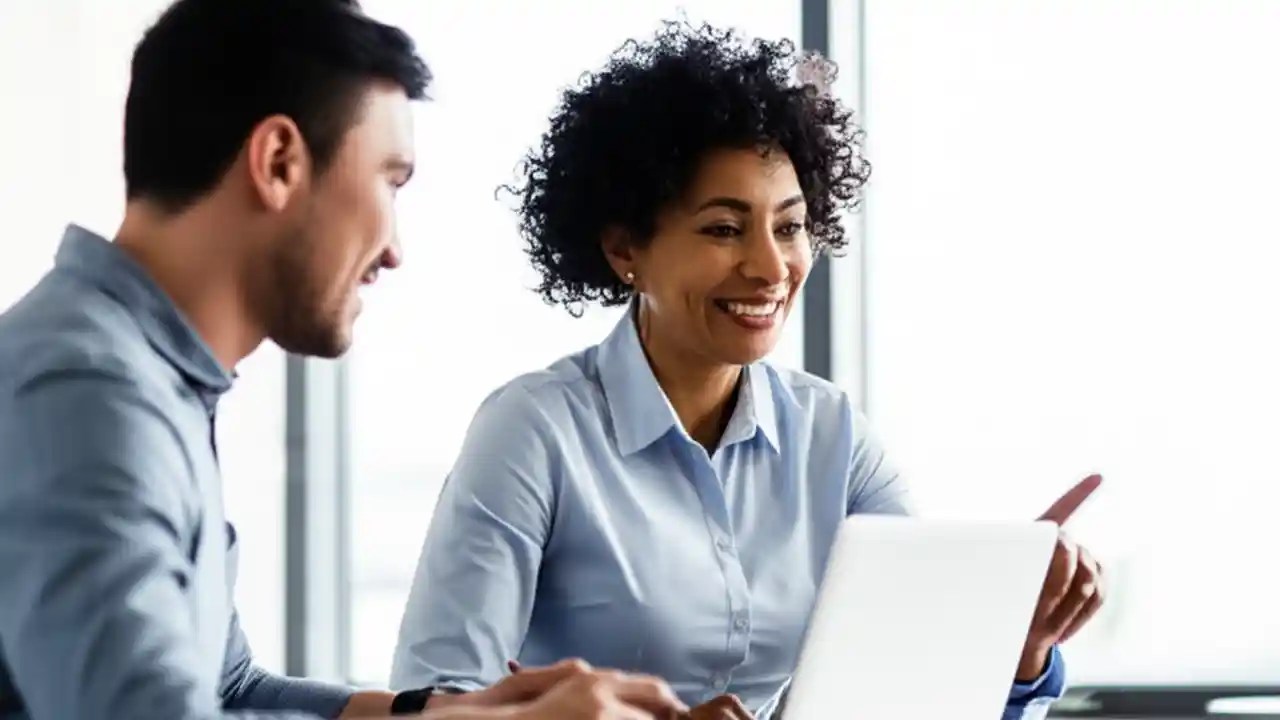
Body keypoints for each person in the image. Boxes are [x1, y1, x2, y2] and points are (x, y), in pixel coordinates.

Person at [389, 21, 1106, 720]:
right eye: (724, 229)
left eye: (790, 227)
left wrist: (1019, 642)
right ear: (623, 248)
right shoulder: (536, 431)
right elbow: (435, 700)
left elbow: (912, 687)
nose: (770, 268)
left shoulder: (833, 437)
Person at [0, 1, 685, 719]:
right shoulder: (85, 394)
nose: (394, 248)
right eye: (390, 181)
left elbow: (229, 690)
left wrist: (454, 713)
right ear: (279, 163)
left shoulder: (145, 379)